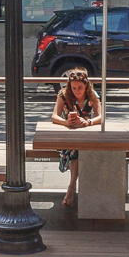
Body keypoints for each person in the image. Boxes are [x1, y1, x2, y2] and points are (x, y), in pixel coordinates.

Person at [51, 68, 104, 207]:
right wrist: (66, 122)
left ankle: (71, 188)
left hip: (86, 135)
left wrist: (89, 122)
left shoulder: (92, 95)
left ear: (86, 85)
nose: (77, 91)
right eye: (73, 87)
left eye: (80, 87)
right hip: (67, 135)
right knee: (76, 150)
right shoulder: (63, 95)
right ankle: (72, 187)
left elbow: (101, 116)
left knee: (79, 149)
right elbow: (54, 116)